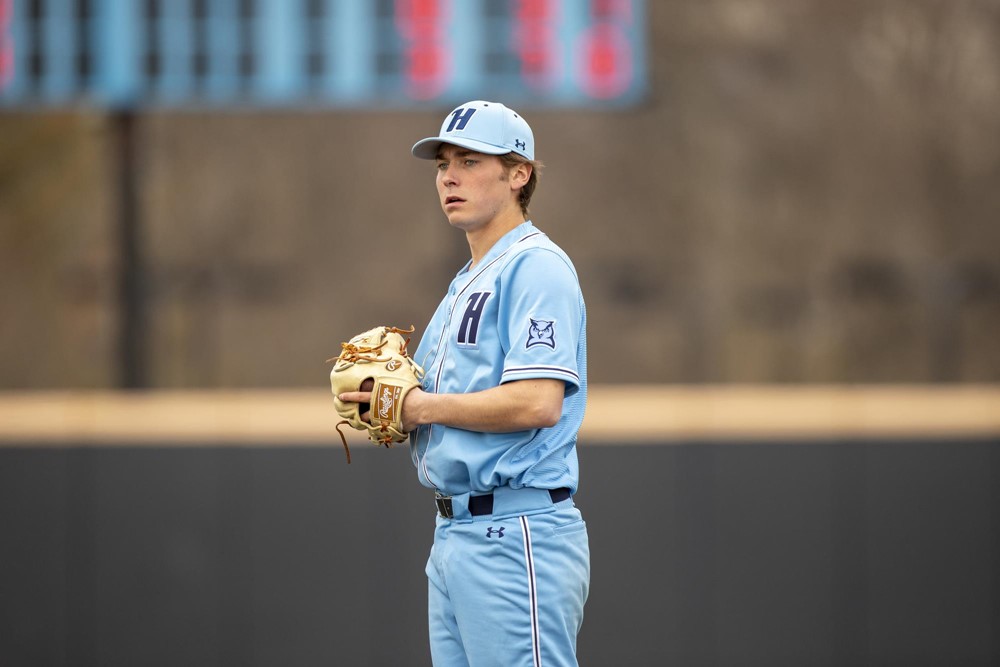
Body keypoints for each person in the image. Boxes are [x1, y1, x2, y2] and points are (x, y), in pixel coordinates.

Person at [342, 100, 590, 667]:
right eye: (442, 163)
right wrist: (389, 400)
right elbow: (420, 404)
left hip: (516, 528)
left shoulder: (537, 266)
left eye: (470, 161)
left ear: (518, 174)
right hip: (457, 533)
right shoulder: (468, 279)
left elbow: (538, 401)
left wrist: (420, 407)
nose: (449, 175)